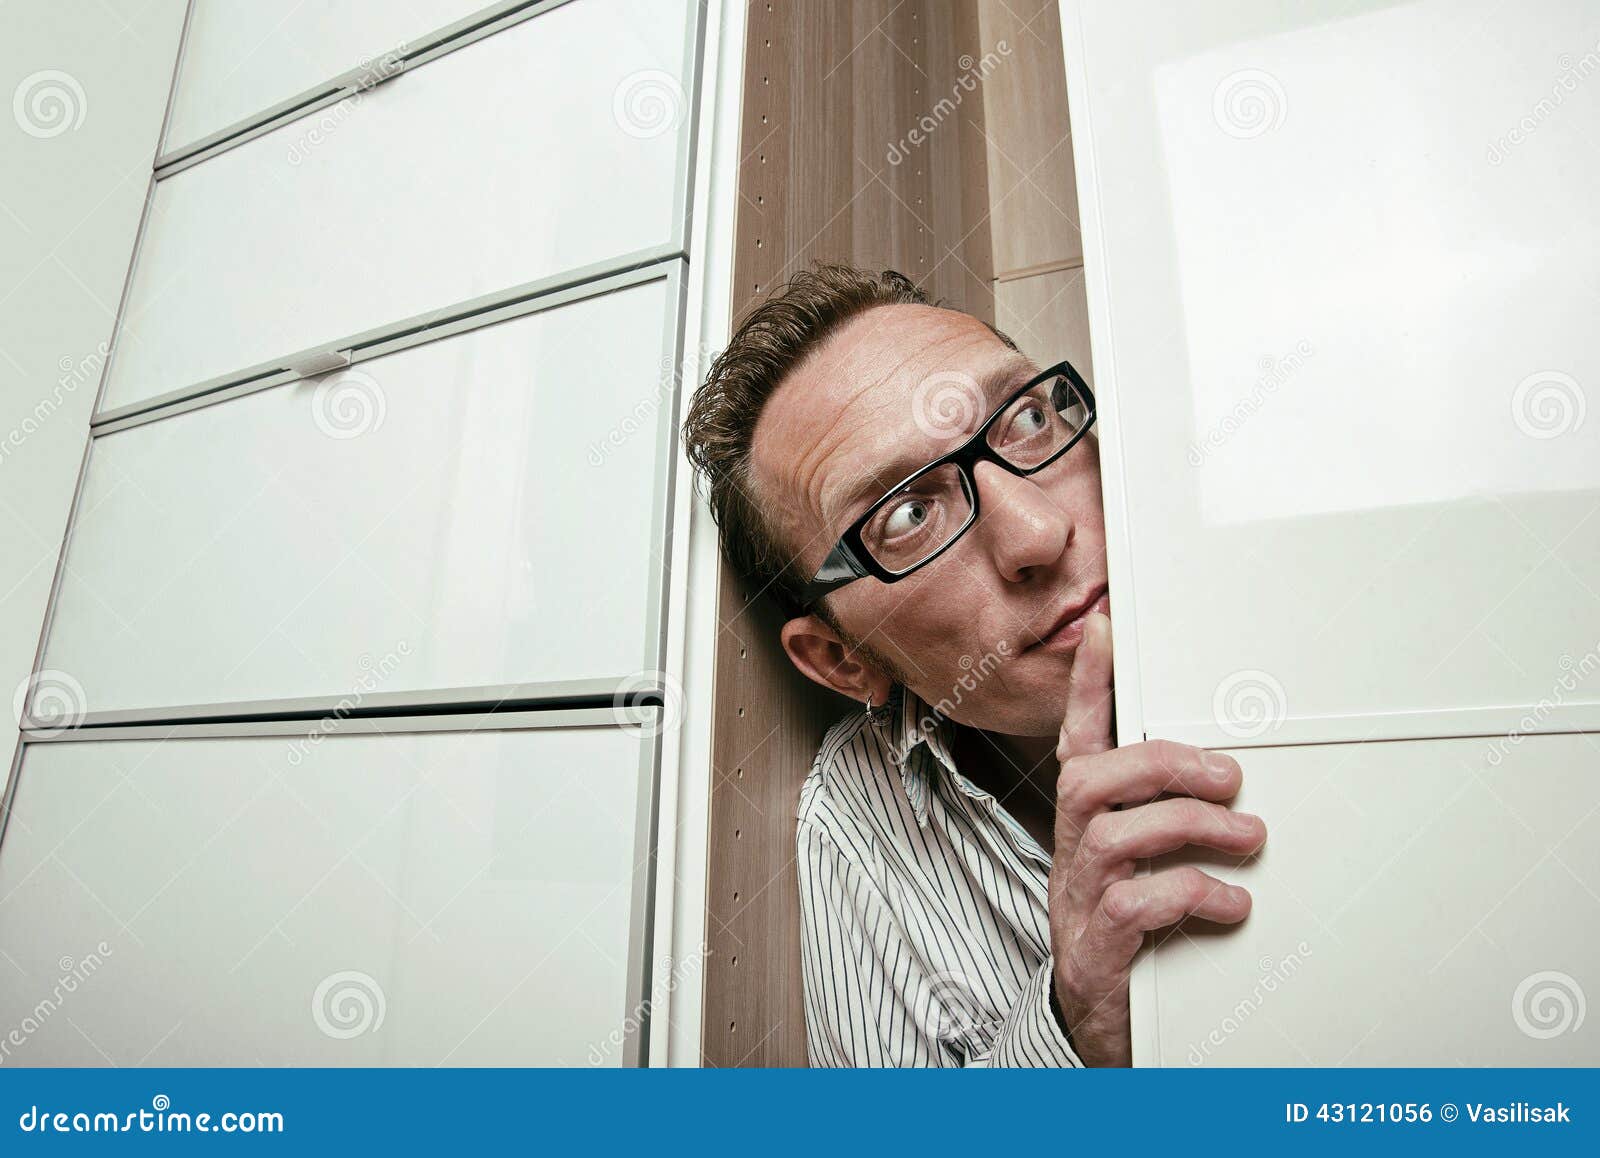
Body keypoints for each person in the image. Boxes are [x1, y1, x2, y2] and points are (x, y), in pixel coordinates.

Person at [682, 265, 1267, 1066]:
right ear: (843, 661)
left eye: (1027, 418)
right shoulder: (861, 822)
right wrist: (1077, 1024)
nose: (1035, 532)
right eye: (909, 514)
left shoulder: (1283, 580)